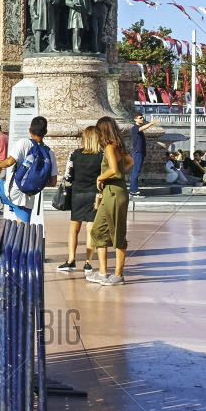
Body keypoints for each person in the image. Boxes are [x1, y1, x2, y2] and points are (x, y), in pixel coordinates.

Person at [0, 115, 56, 222]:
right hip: (27, 199)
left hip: (10, 190)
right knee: (22, 232)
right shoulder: (50, 154)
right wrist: (33, 181)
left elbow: (9, 162)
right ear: (45, 132)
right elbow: (53, 182)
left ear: (30, 130)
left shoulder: (24, 143)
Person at [88, 116, 133, 285]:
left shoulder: (109, 148)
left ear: (102, 131)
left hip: (114, 192)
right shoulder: (118, 147)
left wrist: (100, 178)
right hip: (112, 191)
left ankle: (118, 275)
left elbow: (113, 170)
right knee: (98, 231)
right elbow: (130, 162)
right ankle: (102, 273)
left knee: (117, 234)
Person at [57, 126, 102, 274]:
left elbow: (68, 176)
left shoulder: (75, 154)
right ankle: (88, 263)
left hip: (77, 194)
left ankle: (71, 260)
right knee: (90, 230)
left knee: (74, 229)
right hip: (94, 195)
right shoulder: (102, 155)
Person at [129, 112, 162, 196]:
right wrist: (151, 123)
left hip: (140, 153)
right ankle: (133, 190)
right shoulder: (135, 128)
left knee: (137, 172)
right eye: (140, 118)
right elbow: (142, 128)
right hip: (137, 153)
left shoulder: (138, 128)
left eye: (142, 117)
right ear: (135, 119)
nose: (142, 119)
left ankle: (134, 190)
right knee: (135, 172)